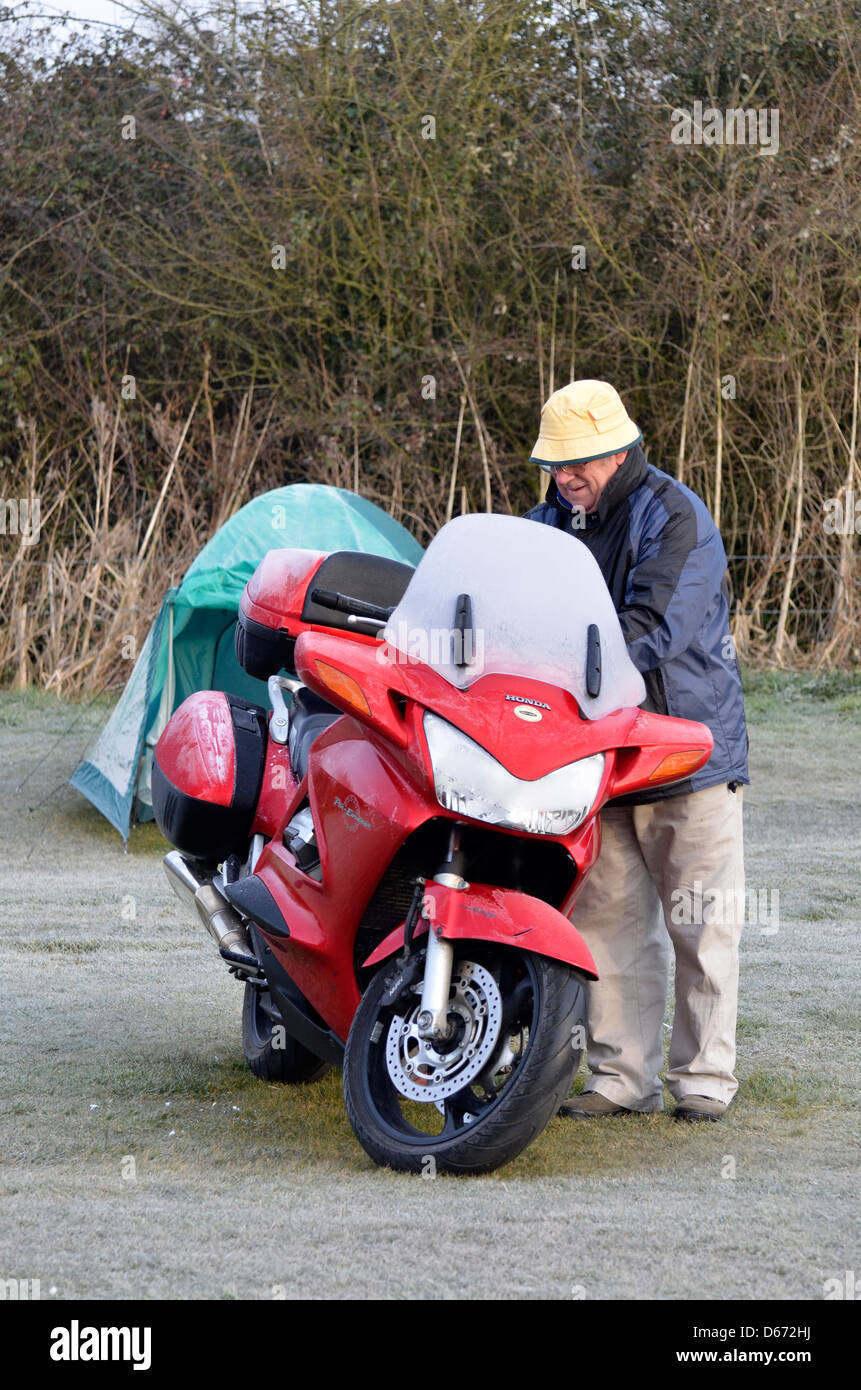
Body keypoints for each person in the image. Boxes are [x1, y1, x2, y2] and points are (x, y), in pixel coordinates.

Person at [524, 380, 749, 1122]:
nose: (564, 478)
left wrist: (556, 660)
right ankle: (621, 1080)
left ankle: (703, 1082)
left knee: (701, 925)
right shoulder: (545, 525)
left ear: (618, 452)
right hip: (597, 760)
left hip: (686, 754)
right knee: (605, 925)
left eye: (577, 464)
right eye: (555, 465)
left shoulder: (675, 515)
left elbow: (653, 624)